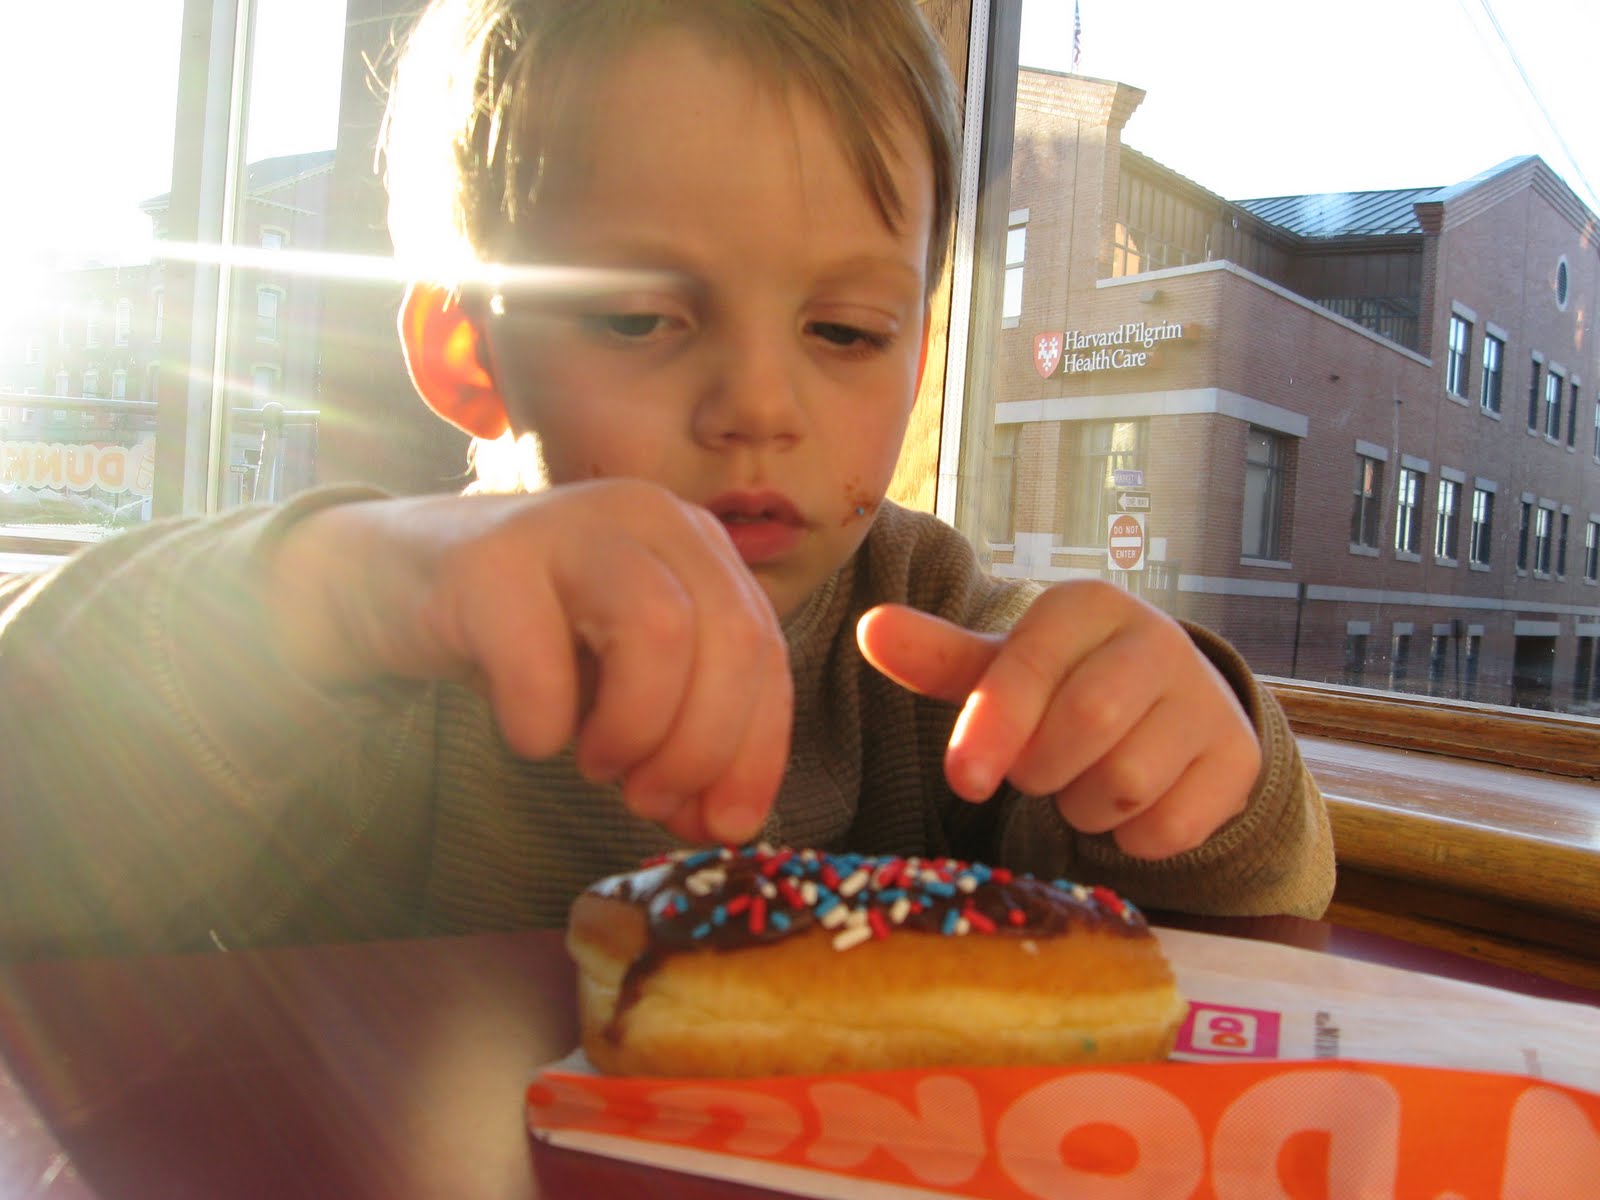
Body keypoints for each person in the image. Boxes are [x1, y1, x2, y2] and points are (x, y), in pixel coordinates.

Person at [0, 0, 1332, 957]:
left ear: (916, 359)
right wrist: (339, 596)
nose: (761, 406)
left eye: (844, 333)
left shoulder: (936, 641)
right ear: (470, 351)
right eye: (640, 319)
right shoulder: (393, 650)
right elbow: (36, 828)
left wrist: (1192, 755)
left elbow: (1239, 916)